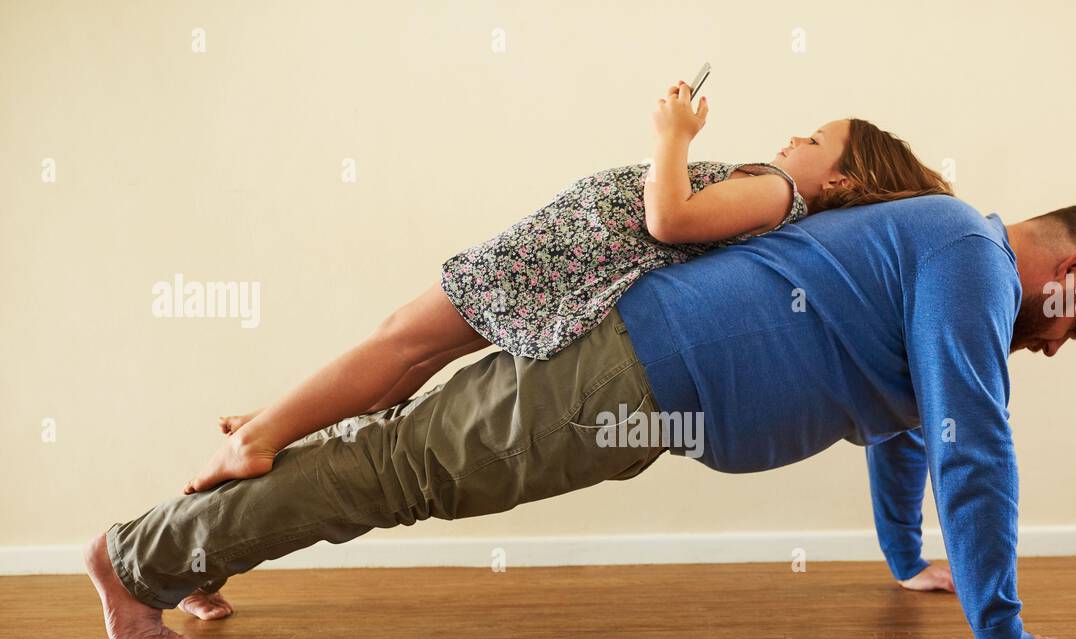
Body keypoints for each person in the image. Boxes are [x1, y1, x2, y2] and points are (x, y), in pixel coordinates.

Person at [87, 193, 1076, 639]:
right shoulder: (971, 254)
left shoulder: (946, 264)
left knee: (401, 459)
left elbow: (905, 427)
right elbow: (975, 440)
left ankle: (193, 551)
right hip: (625, 372)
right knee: (402, 468)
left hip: (638, 391)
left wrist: (906, 555)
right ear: (1075, 274)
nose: (1053, 349)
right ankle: (136, 555)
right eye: (1075, 329)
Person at [181, 81, 951, 494]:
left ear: (842, 177)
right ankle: (286, 420)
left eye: (814, 140)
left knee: (401, 342)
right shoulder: (785, 197)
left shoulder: (781, 190)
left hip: (555, 261)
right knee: (408, 363)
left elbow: (672, 218)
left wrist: (673, 135)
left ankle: (258, 437)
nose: (793, 140)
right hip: (567, 265)